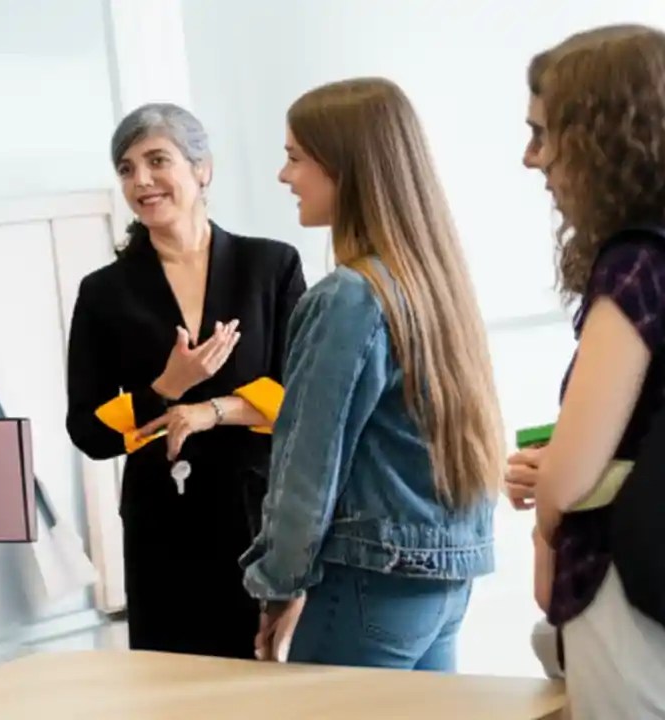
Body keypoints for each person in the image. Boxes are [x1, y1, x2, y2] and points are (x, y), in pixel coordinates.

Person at [244, 77, 504, 672]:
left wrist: (278, 583)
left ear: (347, 168)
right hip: (443, 582)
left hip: (368, 583)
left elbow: (308, 465)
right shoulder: (437, 286)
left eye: (295, 158)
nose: (286, 178)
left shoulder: (349, 297)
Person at [517, 25, 665, 716]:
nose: (532, 159)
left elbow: (574, 478)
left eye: (543, 135)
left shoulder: (636, 266)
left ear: (604, 136)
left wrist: (546, 521)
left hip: (632, 593)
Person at [65, 103, 306, 659]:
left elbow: (301, 397)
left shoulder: (270, 267)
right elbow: (88, 432)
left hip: (259, 517)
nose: (141, 180)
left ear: (203, 169)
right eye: (126, 168)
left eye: (157, 160)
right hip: (163, 526)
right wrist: (166, 388)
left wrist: (212, 408)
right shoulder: (104, 292)